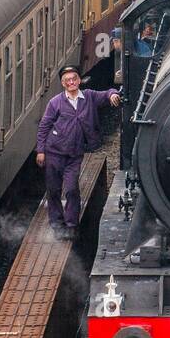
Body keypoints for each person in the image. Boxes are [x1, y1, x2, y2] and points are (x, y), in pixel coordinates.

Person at [36, 65, 121, 238]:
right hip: (54, 152)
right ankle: (56, 223)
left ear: (79, 80)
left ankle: (71, 224)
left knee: (72, 189)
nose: (71, 82)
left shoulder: (89, 96)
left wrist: (113, 94)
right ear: (63, 83)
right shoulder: (55, 102)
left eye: (74, 79)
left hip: (75, 154)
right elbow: (44, 127)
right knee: (53, 189)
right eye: (67, 80)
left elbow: (107, 93)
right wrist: (40, 150)